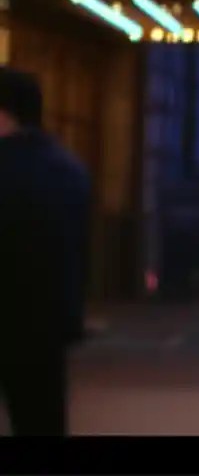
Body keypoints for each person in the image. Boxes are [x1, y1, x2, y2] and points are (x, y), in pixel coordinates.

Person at [0, 66, 92, 436]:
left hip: (9, 313)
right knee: (41, 419)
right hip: (48, 322)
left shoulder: (8, 167)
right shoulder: (67, 167)